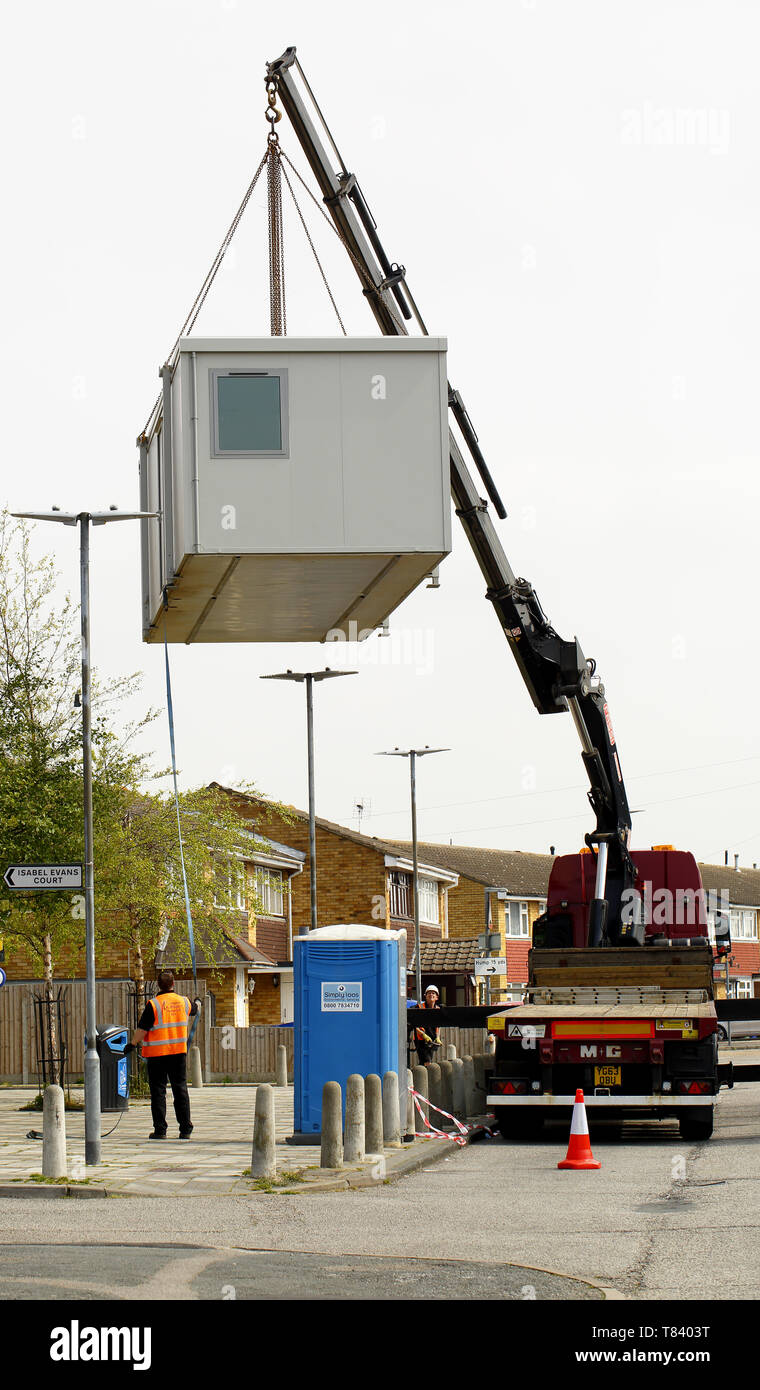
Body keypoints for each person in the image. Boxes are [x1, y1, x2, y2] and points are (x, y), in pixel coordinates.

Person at [126, 970, 200, 1140]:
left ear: (158, 985)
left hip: (157, 1055)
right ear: (173, 984)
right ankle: (185, 1128)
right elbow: (195, 1009)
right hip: (177, 1053)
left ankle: (160, 1130)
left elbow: (142, 1029)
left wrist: (132, 1044)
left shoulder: (153, 1005)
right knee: (180, 1090)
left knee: (158, 1092)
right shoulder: (184, 1002)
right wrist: (198, 1001)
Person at [413, 984, 442, 1064]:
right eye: (429, 993)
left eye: (433, 993)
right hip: (421, 1040)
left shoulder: (438, 1009)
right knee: (426, 1061)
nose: (431, 994)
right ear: (425, 996)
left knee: (426, 1061)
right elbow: (414, 1025)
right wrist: (423, 1035)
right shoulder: (419, 1008)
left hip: (431, 1040)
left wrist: (438, 1037)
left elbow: (438, 1026)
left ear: (437, 997)